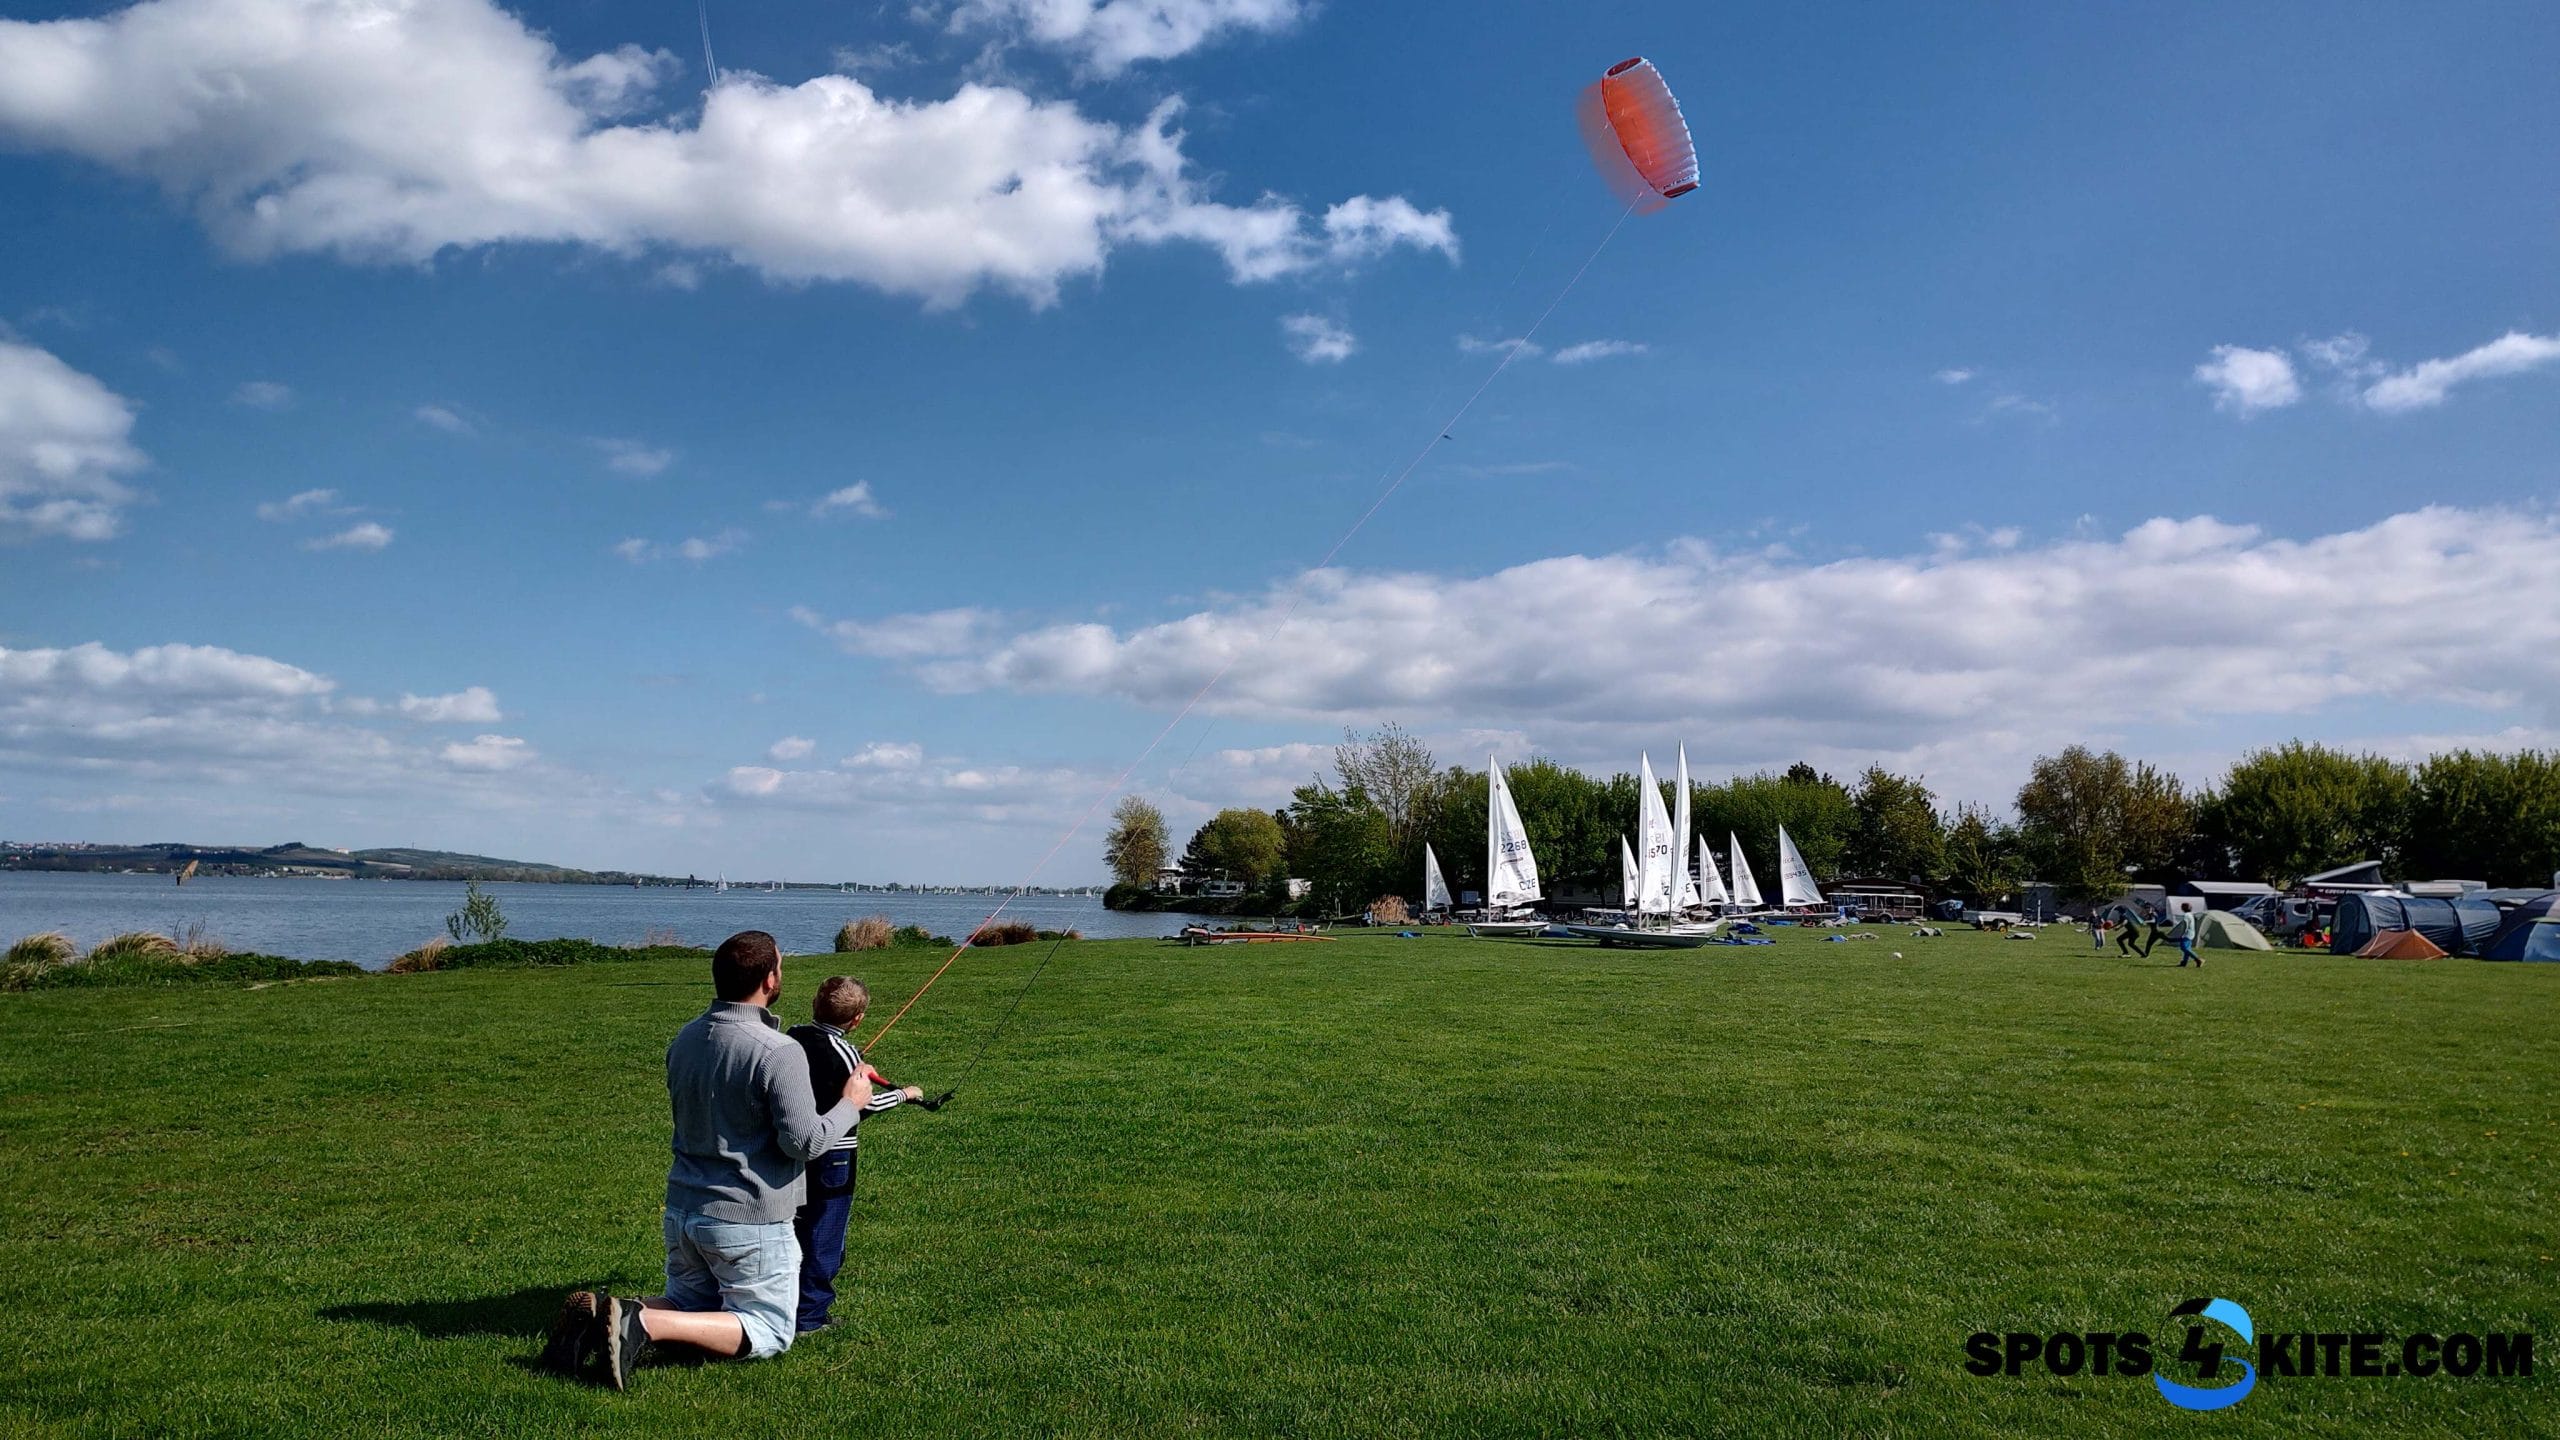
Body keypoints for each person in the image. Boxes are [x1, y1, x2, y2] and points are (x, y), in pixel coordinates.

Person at [545, 931, 865, 1390]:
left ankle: (602, 1315)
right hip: (749, 1219)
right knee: (773, 1329)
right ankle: (640, 1324)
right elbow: (805, 1142)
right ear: (770, 979)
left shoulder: (686, 1038)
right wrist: (850, 1103)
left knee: (692, 1302)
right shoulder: (778, 1050)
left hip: (683, 1214)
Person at [787, 977, 927, 1335]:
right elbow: (862, 1104)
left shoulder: (793, 1038)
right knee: (825, 1233)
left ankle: (787, 1306)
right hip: (834, 1156)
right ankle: (810, 1317)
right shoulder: (845, 1053)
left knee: (796, 1227)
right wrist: (905, 1094)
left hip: (794, 1150)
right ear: (858, 1019)